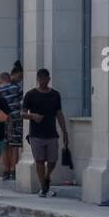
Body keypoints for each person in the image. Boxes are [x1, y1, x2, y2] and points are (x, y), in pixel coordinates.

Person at [23, 68, 70, 198]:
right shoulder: (30, 95)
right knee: (39, 161)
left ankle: (47, 176)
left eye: (45, 79)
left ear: (49, 79)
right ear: (38, 79)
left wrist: (65, 131)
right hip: (36, 134)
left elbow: (59, 113)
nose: (43, 81)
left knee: (53, 160)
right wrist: (33, 116)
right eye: (41, 79)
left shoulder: (55, 94)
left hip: (51, 133)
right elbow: (22, 114)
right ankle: (43, 187)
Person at [0, 64, 23, 180]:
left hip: (2, 120)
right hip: (15, 120)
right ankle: (13, 170)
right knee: (15, 146)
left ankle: (6, 170)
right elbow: (22, 102)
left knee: (5, 146)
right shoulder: (17, 88)